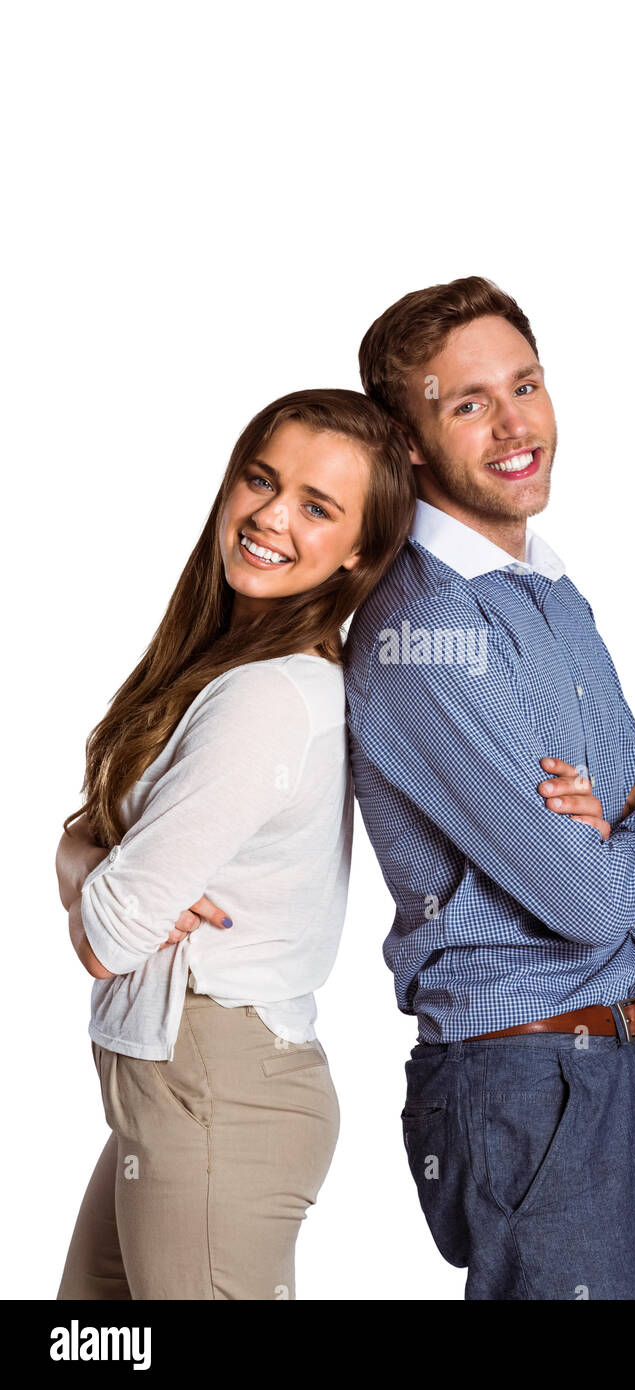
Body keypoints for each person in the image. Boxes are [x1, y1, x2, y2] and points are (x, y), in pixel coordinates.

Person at [343, 276, 635, 1301]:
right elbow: (588, 897)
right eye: (468, 403)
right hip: (527, 1089)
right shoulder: (425, 631)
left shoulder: (549, 593)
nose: (514, 424)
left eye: (525, 385)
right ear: (408, 441)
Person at [55, 388, 415, 1300]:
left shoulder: (267, 699)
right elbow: (87, 845)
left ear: (360, 551)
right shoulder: (223, 668)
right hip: (171, 1087)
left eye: (316, 506)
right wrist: (92, 869)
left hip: (219, 1087)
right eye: (263, 480)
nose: (270, 517)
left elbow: (108, 937)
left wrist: (98, 883)